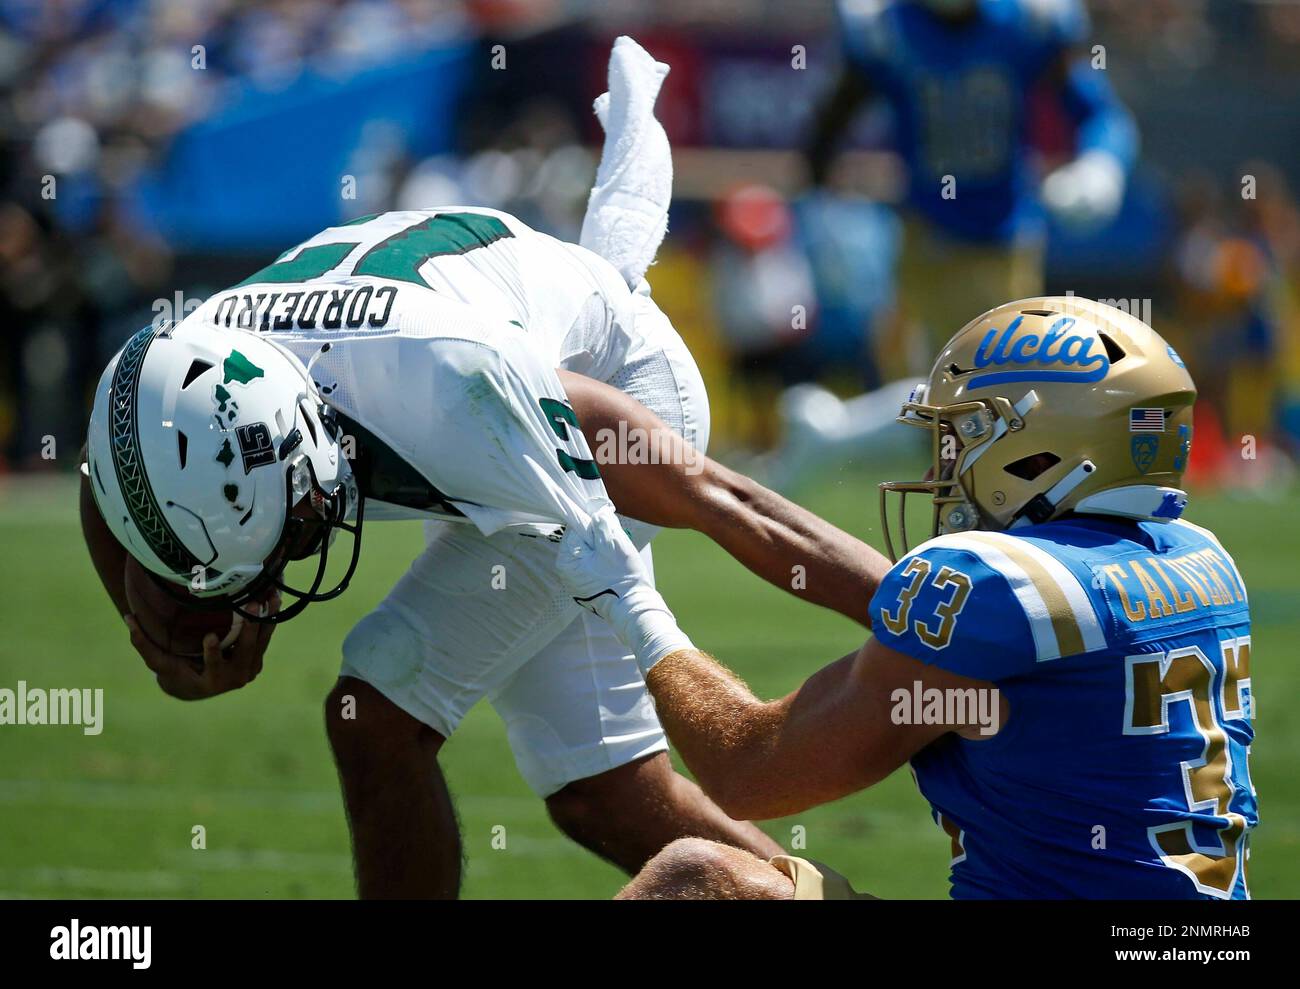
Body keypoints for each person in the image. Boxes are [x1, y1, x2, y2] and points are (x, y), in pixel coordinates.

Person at [79, 39, 895, 898]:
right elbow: (106, 480)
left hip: (607, 390)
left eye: (306, 513)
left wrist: (925, 614)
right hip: (478, 361)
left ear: (320, 437)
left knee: (377, 710)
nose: (308, 536)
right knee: (603, 794)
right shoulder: (167, 379)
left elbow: (724, 499)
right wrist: (151, 630)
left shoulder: (461, 384)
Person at [558, 297, 1257, 899]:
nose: (942, 464)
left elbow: (748, 772)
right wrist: (715, 500)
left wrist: (632, 601)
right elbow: (989, 642)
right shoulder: (1202, 558)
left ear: (1040, 450)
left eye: (963, 435)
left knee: (696, 878)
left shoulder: (997, 582)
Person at [773, 0, 1138, 489]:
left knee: (985, 399)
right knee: (981, 401)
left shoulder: (1027, 23)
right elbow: (830, 124)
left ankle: (833, 435)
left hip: (999, 239)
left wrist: (1101, 165)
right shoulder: (888, 29)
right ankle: (833, 437)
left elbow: (1100, 113)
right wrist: (820, 205)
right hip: (924, 239)